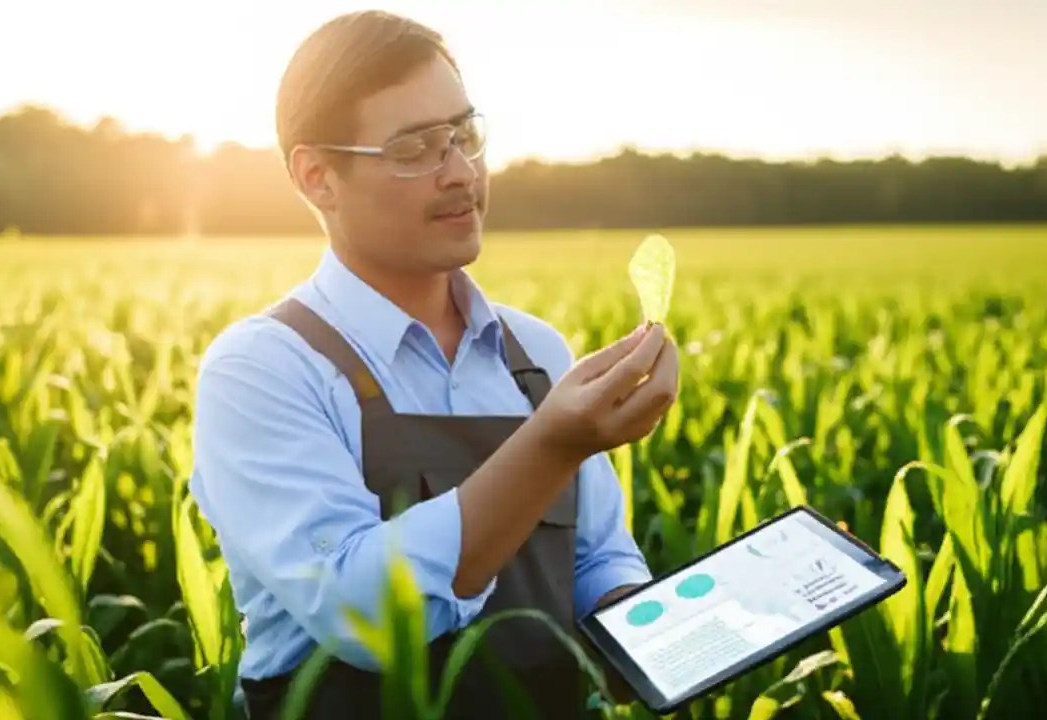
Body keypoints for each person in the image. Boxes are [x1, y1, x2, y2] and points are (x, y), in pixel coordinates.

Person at [188, 9, 680, 719]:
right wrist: (550, 446)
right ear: (318, 177)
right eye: (415, 149)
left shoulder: (535, 355)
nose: (460, 173)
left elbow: (598, 559)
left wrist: (677, 634)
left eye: (464, 135)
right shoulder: (263, 369)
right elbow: (366, 617)